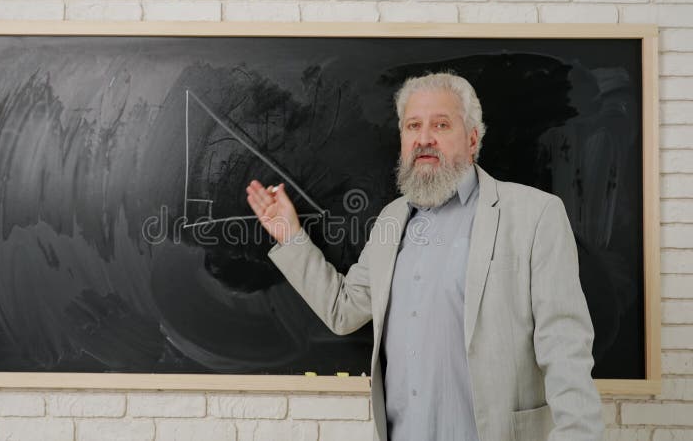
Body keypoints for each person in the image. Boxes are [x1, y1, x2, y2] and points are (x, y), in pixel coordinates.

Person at [245, 72, 604, 441]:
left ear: (472, 139)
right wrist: (290, 234)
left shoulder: (534, 214)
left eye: (441, 124)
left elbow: (566, 352)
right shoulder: (391, 220)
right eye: (413, 126)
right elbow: (344, 309)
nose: (424, 138)